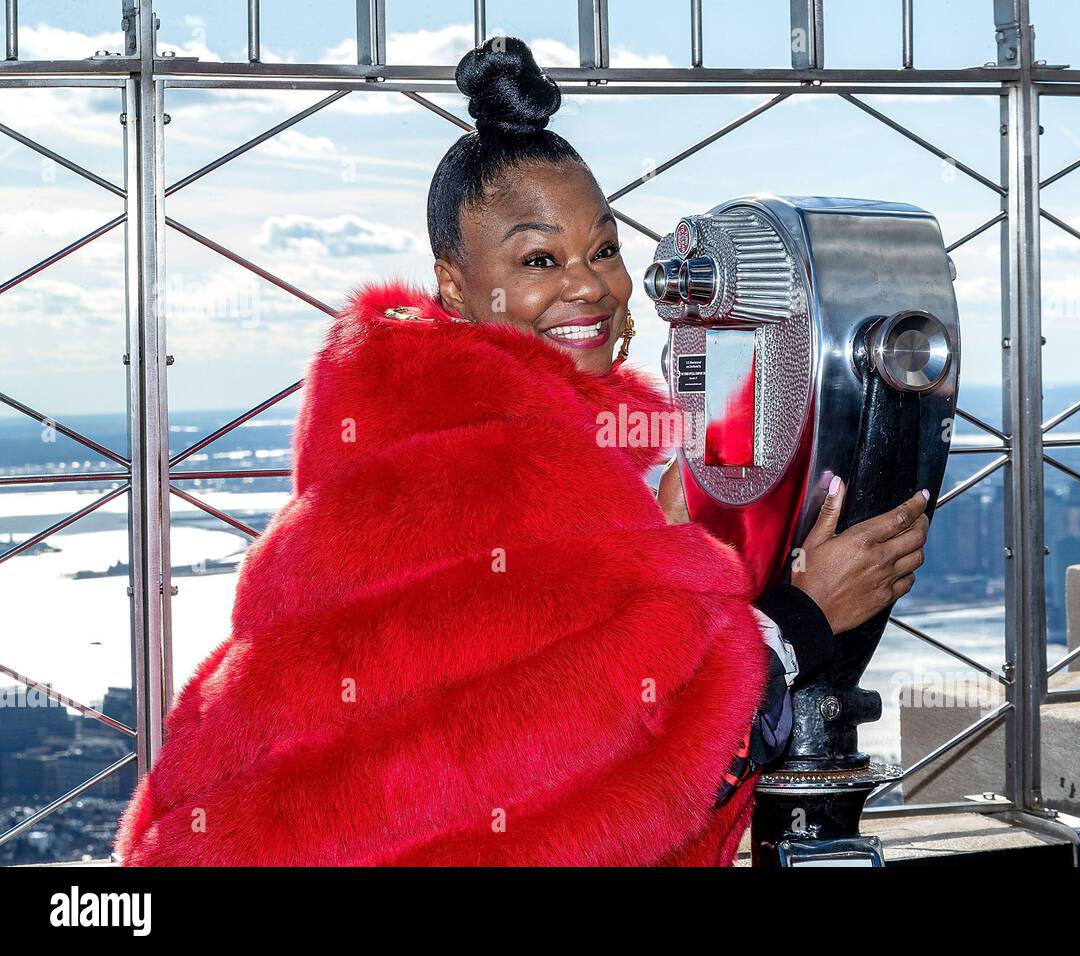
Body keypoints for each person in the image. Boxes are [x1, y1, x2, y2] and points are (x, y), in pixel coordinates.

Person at [114, 35, 928, 867]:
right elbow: (627, 759)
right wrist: (802, 621)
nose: (590, 286)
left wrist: (649, 547)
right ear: (457, 284)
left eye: (604, 248)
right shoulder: (506, 468)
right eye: (539, 258)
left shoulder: (404, 432)